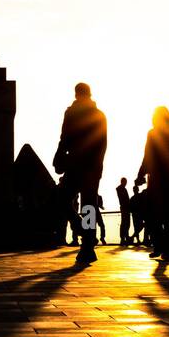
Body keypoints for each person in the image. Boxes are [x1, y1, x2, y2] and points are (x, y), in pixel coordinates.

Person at [53, 82, 107, 266]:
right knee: (87, 206)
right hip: (90, 167)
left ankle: (86, 242)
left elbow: (64, 139)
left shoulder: (73, 113)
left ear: (77, 94)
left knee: (68, 201)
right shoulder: (99, 115)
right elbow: (102, 145)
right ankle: (87, 241)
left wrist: (59, 157)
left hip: (79, 165)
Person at [136, 108, 169, 260]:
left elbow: (147, 154)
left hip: (156, 177)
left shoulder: (153, 133)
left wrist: (140, 174)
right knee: (168, 215)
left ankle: (160, 245)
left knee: (153, 214)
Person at [130, 180, 147, 246]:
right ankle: (136, 239)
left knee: (137, 227)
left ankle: (134, 238)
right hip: (139, 214)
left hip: (136, 214)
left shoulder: (132, 198)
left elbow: (131, 207)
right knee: (140, 226)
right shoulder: (139, 196)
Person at [117, 177, 131, 246]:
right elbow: (125, 199)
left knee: (125, 223)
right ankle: (124, 238)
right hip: (125, 208)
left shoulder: (121, 189)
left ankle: (125, 238)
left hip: (125, 207)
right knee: (125, 223)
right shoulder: (121, 189)